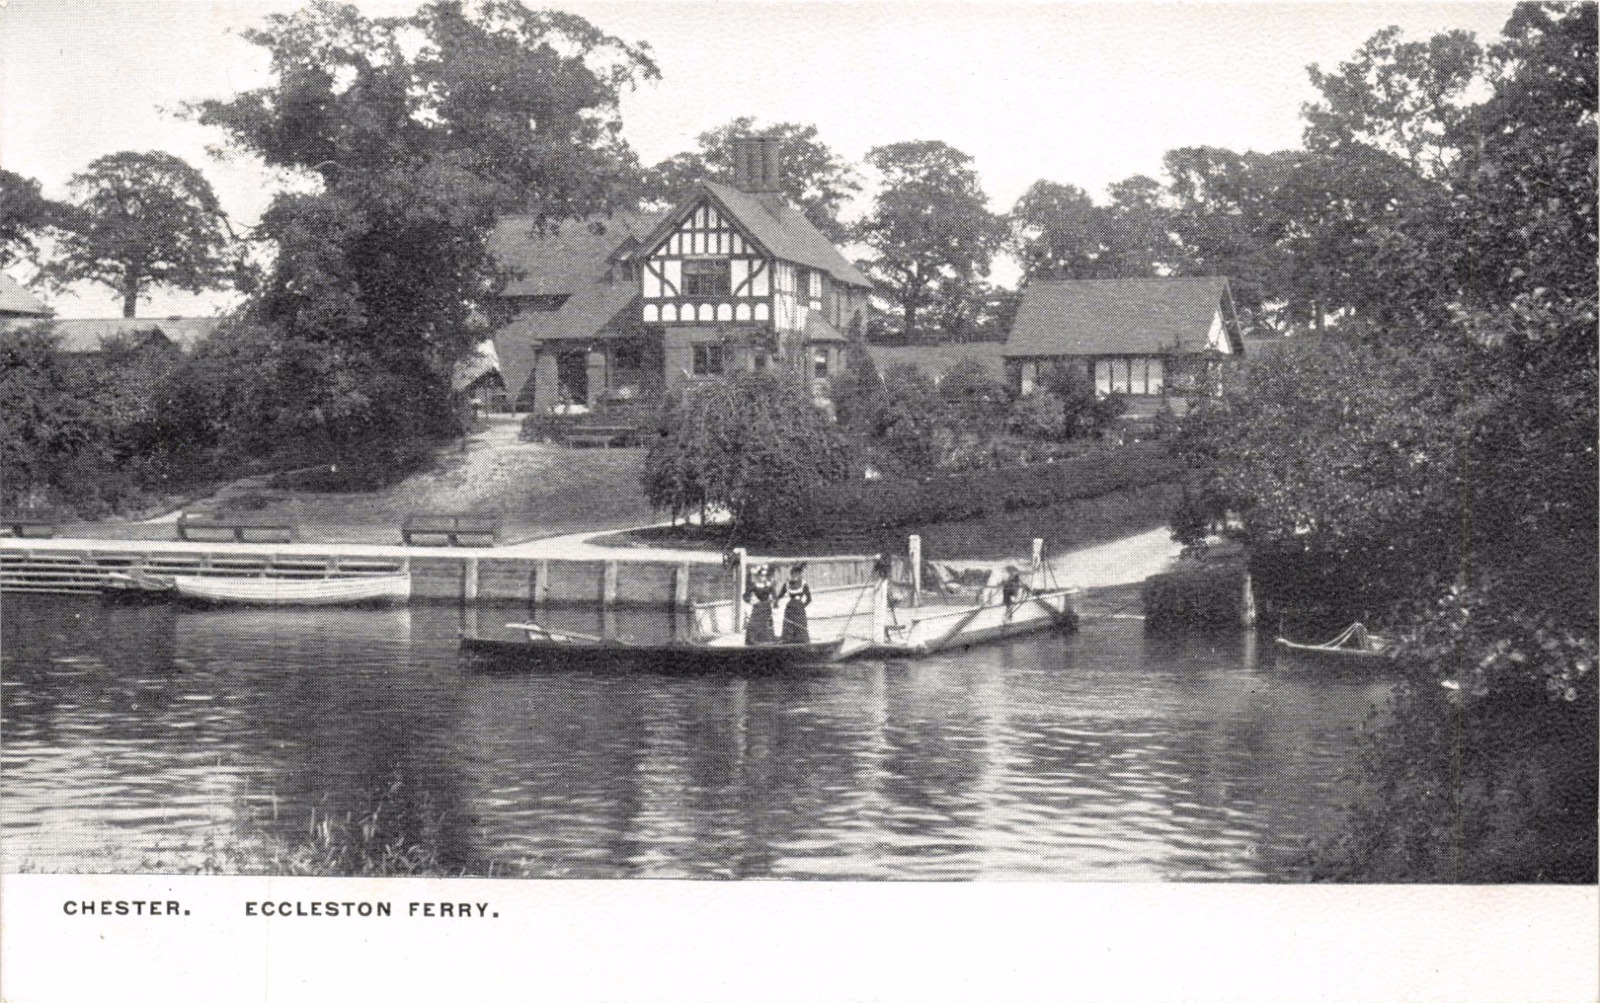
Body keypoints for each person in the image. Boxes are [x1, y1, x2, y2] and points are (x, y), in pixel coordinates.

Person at [777, 563, 812, 644]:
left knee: (800, 627)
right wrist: (776, 601)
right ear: (791, 574)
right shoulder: (787, 584)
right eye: (793, 574)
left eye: (797, 574)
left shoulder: (804, 584)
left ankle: (801, 641)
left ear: (800, 574)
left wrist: (802, 606)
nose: (794, 575)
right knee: (788, 625)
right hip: (790, 608)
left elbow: (809, 599)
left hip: (799, 609)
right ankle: (788, 641)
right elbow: (780, 594)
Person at [743, 565, 776, 645]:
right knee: (753, 624)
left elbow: (775, 596)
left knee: (767, 625)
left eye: (765, 575)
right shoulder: (755, 585)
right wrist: (751, 601)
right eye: (762, 575)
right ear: (759, 575)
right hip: (758, 608)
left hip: (767, 608)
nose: (763, 577)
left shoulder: (769, 585)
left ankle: (766, 640)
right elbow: (745, 596)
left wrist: (773, 601)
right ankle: (754, 640)